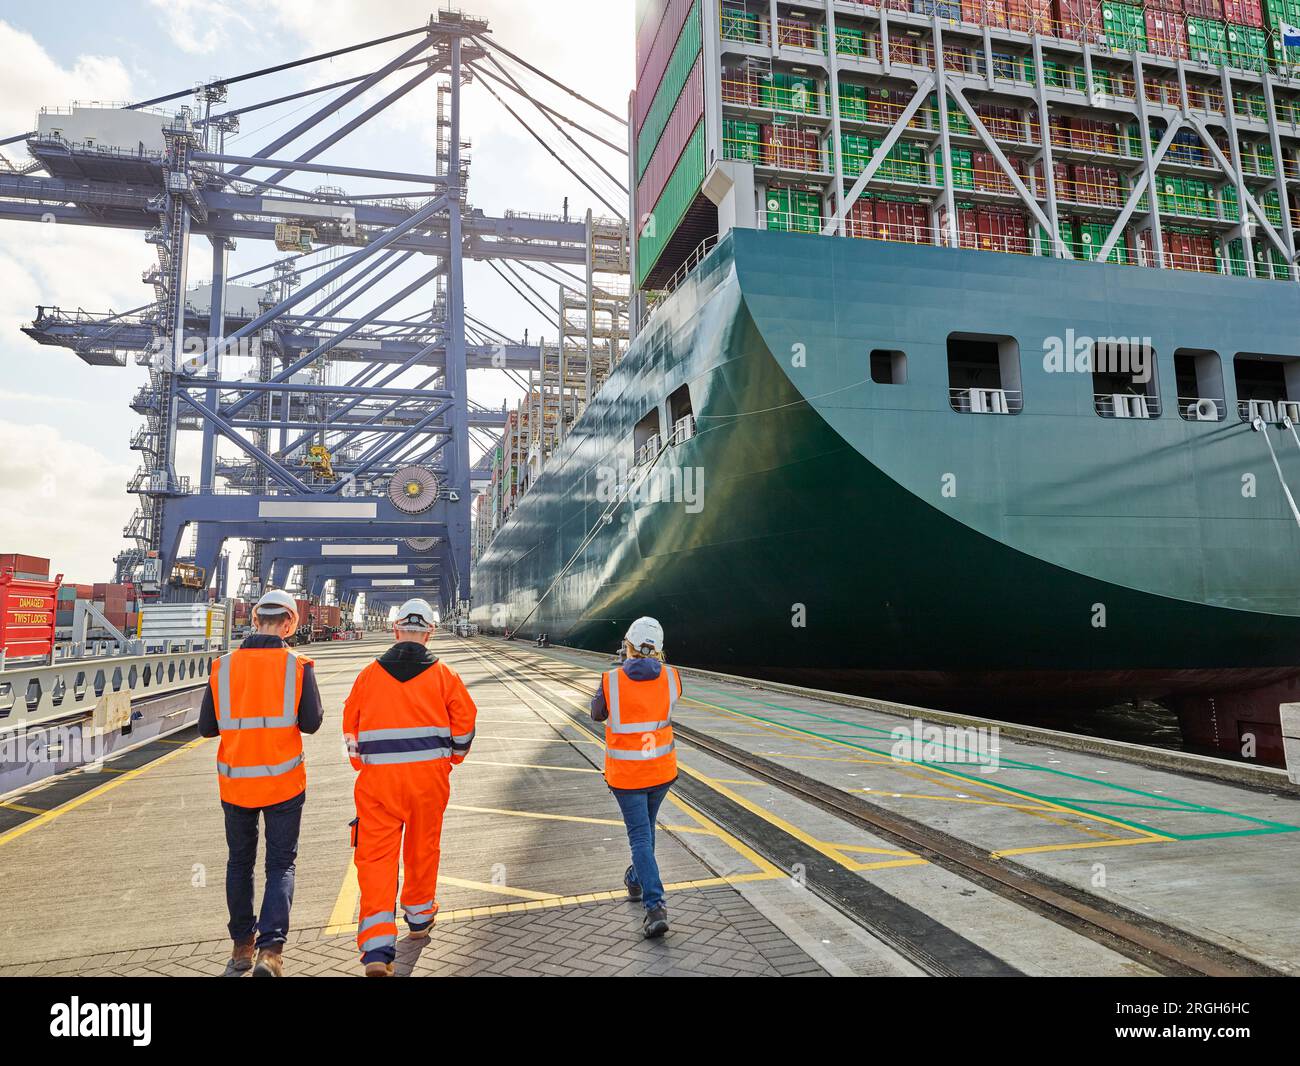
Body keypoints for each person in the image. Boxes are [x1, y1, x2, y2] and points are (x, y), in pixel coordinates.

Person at [342, 598, 478, 976]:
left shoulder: (368, 675)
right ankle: (419, 919)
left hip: (378, 784)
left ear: (396, 630)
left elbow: (349, 729)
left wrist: (360, 762)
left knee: (375, 859)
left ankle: (376, 948)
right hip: (428, 782)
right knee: (422, 848)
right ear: (430, 634)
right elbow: (465, 724)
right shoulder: (445, 676)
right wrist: (453, 757)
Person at [199, 589, 324, 977]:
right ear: (289, 624)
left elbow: (206, 728)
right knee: (280, 865)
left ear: (255, 621)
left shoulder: (222, 667)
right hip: (284, 784)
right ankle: (270, 953)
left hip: (236, 785)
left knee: (239, 863)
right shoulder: (298, 666)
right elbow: (312, 723)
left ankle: (240, 948)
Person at [590, 616, 681, 938]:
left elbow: (597, 713)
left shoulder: (611, 680)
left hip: (628, 776)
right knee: (647, 832)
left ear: (627, 645)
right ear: (659, 649)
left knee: (640, 837)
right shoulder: (672, 677)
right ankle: (634, 879)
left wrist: (620, 669)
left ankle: (655, 906)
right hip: (661, 771)